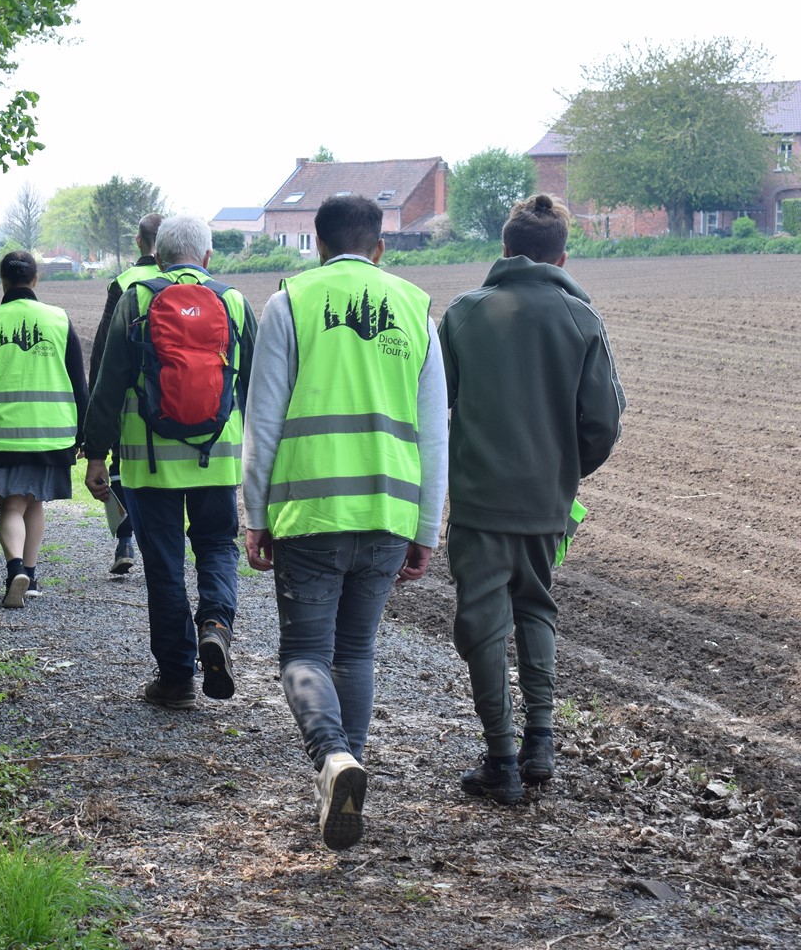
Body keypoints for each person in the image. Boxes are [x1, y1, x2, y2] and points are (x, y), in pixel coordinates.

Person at [242, 193, 448, 851]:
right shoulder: (416, 308)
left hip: (310, 509)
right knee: (355, 649)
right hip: (389, 509)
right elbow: (435, 430)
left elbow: (263, 419)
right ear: (380, 246)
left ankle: (333, 761)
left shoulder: (290, 302)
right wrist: (428, 527)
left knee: (305, 651)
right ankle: (345, 775)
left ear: (319, 243)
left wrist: (254, 513)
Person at [438, 193, 624, 805]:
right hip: (547, 503)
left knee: (483, 625)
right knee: (537, 609)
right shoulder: (583, 320)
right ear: (562, 257)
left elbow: (438, 405)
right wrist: (564, 474)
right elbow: (602, 424)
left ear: (504, 249)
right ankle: (540, 744)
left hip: (478, 501)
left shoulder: (464, 315)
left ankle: (501, 761)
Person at [83, 215, 256, 709]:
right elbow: (257, 387)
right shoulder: (234, 302)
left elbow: (109, 384)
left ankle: (177, 678)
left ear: (156, 256)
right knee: (217, 546)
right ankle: (217, 624)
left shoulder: (137, 298)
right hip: (217, 458)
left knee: (163, 564)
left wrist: (97, 454)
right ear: (208, 258)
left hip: (148, 460)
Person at [0, 251, 87, 608]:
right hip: (52, 433)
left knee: (11, 505)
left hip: (1, 433)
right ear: (36, 280)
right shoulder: (58, 319)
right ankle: (30, 577)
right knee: (34, 501)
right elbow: (79, 383)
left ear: (3, 280)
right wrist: (83, 435)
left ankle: (14, 569)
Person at [88, 212, 164, 575]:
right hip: (182, 399)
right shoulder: (192, 280)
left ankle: (124, 540)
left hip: (131, 399)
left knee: (121, 466)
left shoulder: (125, 282)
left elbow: (104, 350)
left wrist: (94, 414)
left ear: (139, 241)